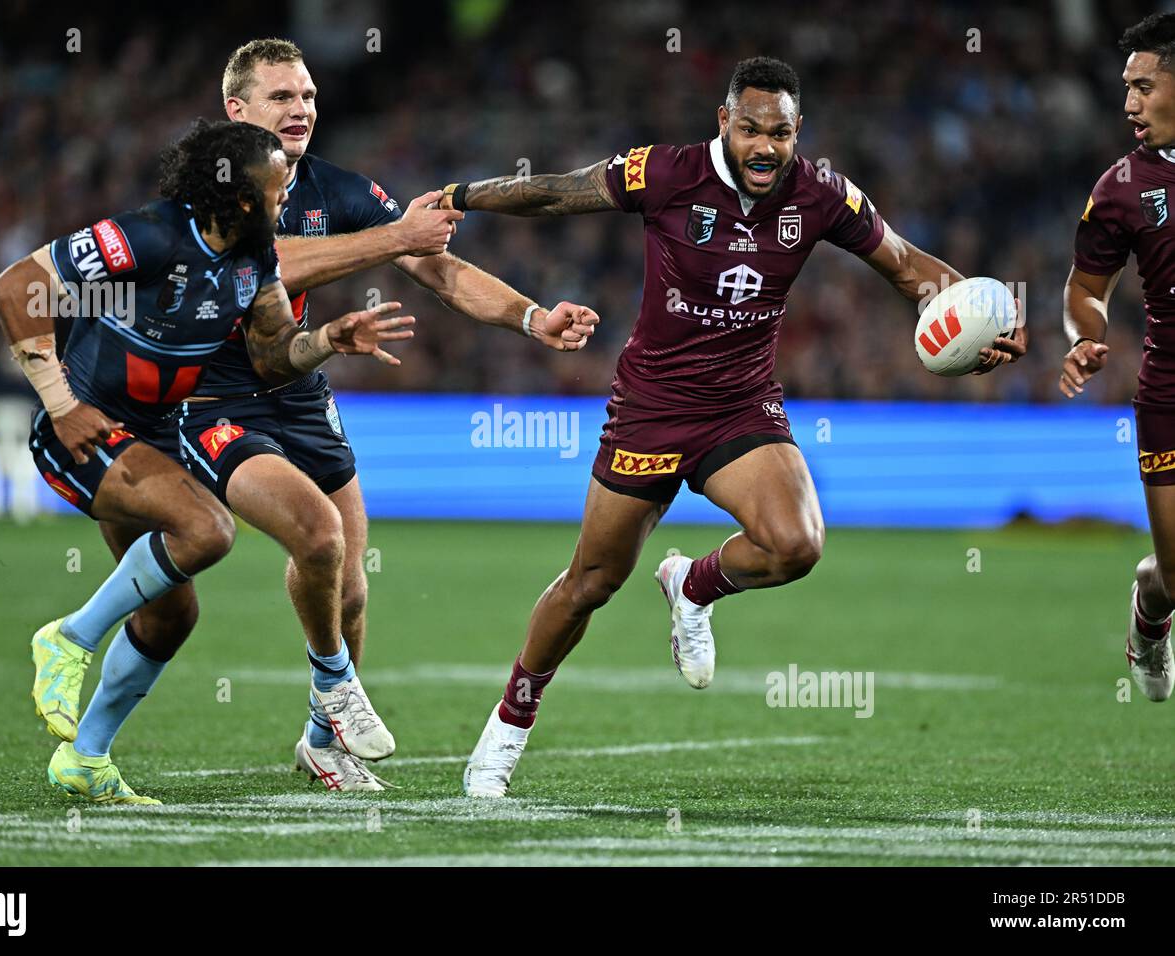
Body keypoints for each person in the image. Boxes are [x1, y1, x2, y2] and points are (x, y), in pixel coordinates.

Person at [442, 56, 1027, 797]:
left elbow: (909, 267)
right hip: (653, 407)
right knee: (592, 581)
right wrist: (465, 195)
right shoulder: (665, 172)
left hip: (741, 404)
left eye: (779, 133)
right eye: (750, 128)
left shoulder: (821, 194)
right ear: (724, 122)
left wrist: (1002, 313)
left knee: (796, 544)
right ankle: (507, 728)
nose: (764, 146)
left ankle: (693, 584)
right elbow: (556, 194)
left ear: (797, 133)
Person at [175, 38, 599, 790]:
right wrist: (394, 235)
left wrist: (532, 319)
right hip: (213, 391)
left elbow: (436, 267)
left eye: (307, 95)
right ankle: (325, 685)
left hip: (300, 380)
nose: (301, 108)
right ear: (236, 111)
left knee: (353, 586)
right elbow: (262, 264)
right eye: (282, 97)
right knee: (314, 536)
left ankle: (322, 740)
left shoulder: (337, 188)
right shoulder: (208, 194)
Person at [0, 118, 413, 803]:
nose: (288, 203)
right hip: (85, 432)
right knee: (208, 530)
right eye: (278, 192)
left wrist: (331, 337)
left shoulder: (256, 257)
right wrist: (60, 403)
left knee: (169, 615)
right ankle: (67, 640)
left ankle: (86, 757)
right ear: (242, 199)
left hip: (160, 439)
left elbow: (274, 356)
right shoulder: (146, 236)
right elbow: (15, 288)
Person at [1062, 13, 1175, 704]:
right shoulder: (1122, 188)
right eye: (1125, 88)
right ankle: (1152, 601)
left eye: (1143, 85)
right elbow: (1085, 288)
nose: (1128, 103)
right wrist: (1085, 334)